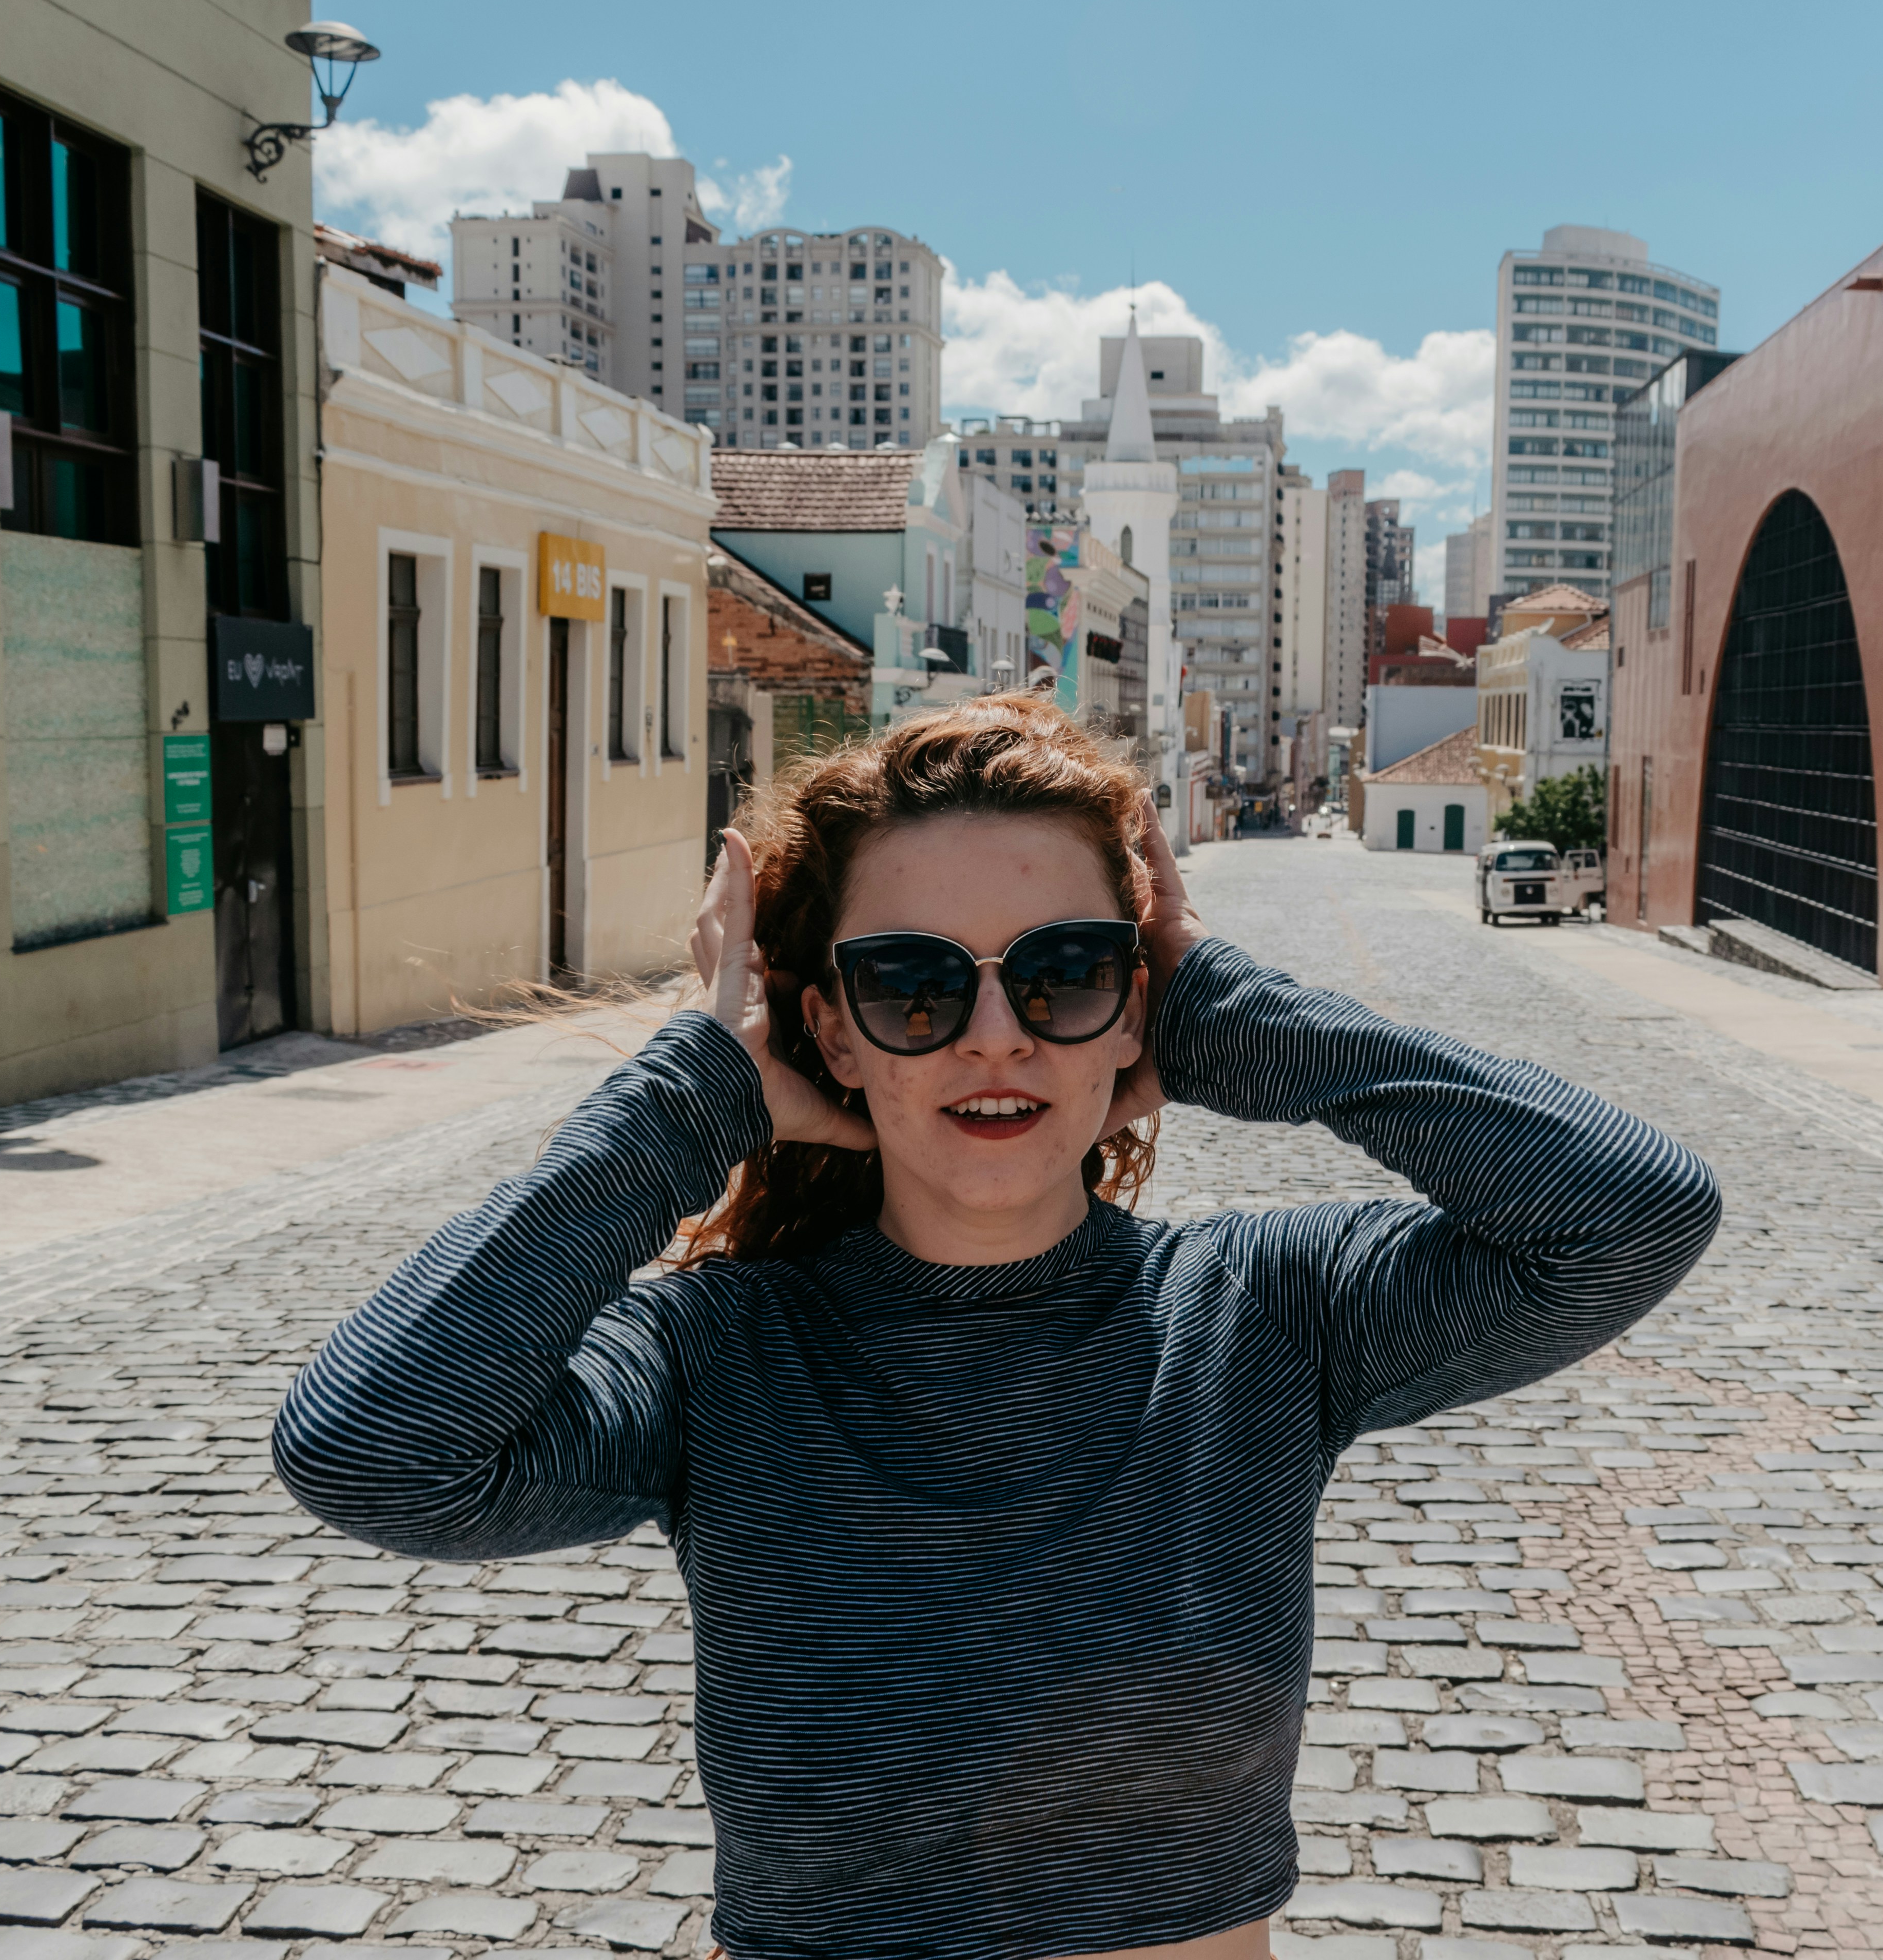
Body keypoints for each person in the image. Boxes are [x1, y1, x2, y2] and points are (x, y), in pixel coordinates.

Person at [273, 696, 1722, 1960]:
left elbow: (1634, 1209)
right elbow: (371, 1450)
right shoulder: (719, 1355)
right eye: (912, 981)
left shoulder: (1266, 1312)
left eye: (1063, 972)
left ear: (1132, 1002)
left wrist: (1232, 1016)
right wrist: (685, 1099)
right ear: (825, 1026)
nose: (993, 1035)